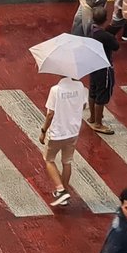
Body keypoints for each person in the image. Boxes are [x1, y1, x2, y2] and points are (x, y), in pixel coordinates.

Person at [37, 71, 88, 208]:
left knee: (49, 159)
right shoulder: (80, 86)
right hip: (73, 132)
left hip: (57, 133)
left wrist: (43, 131)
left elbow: (50, 114)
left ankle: (61, 189)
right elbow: (83, 106)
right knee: (67, 162)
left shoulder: (55, 90)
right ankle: (64, 193)